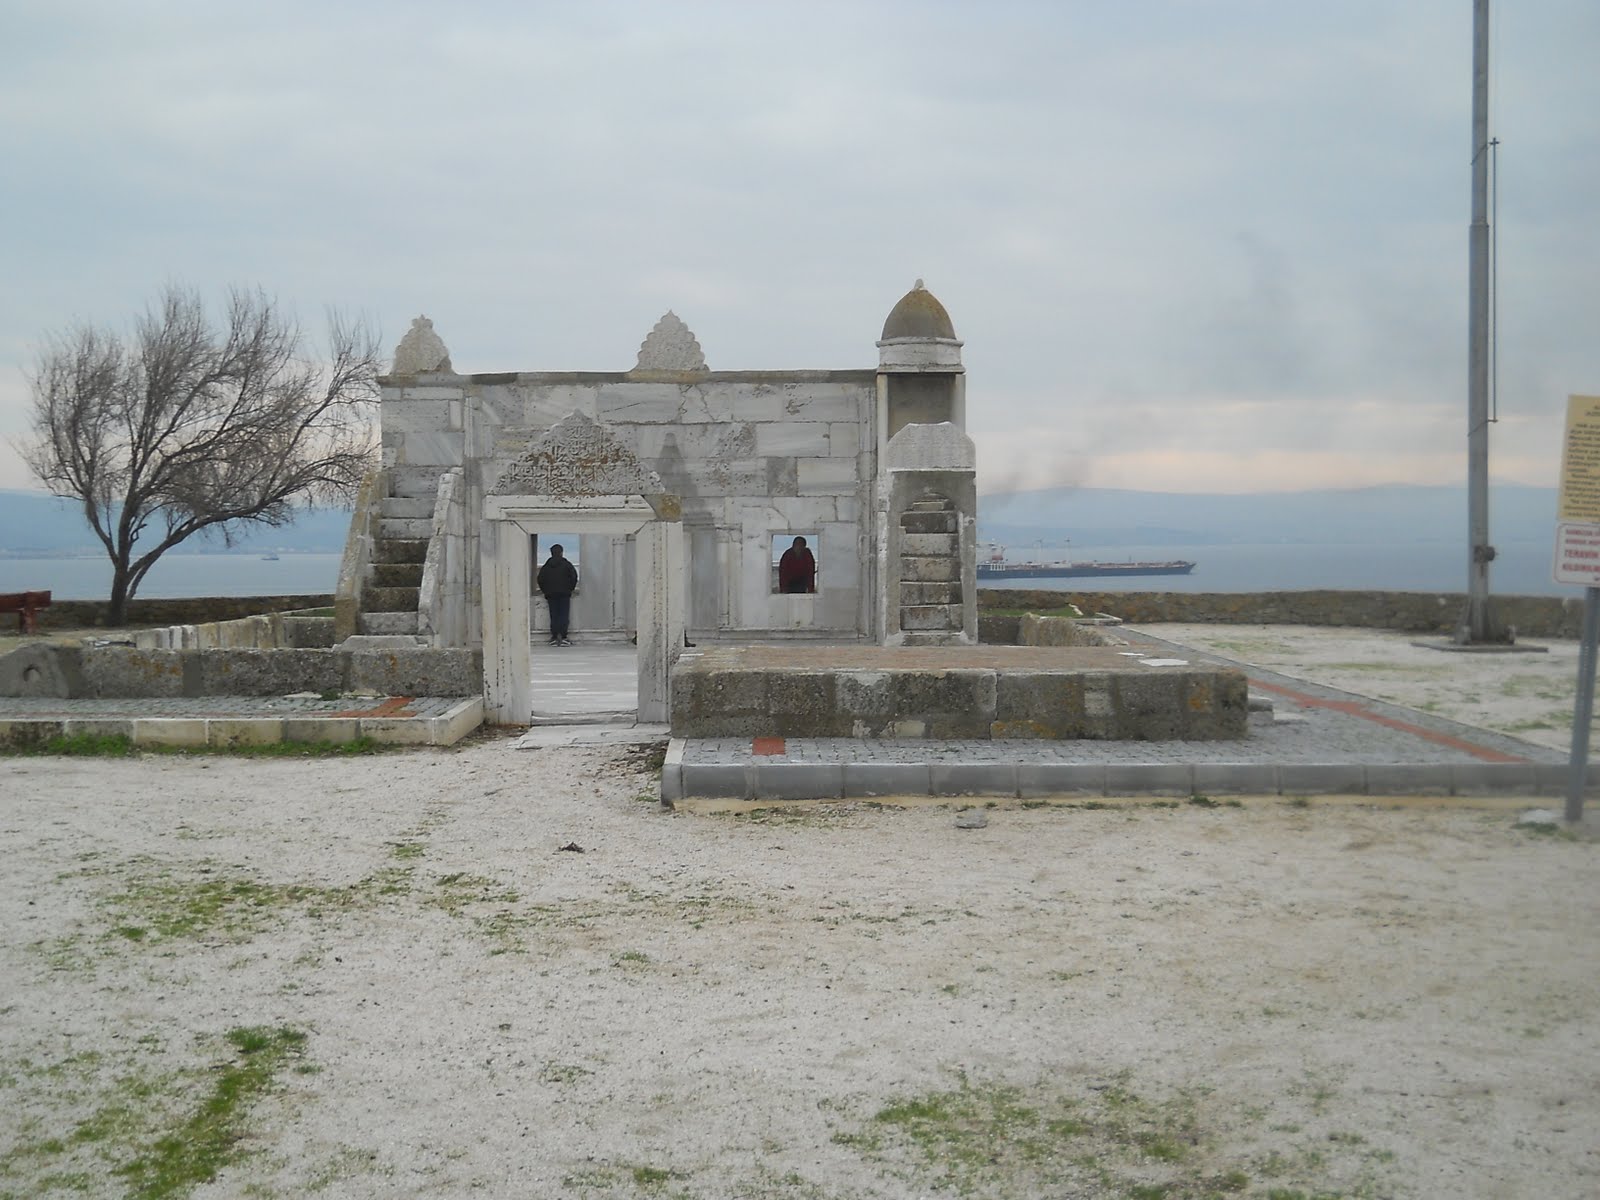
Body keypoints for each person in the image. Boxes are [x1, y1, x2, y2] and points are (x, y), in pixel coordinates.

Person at [537, 543, 579, 646]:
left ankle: (554, 637)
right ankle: (563, 637)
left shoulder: (546, 567)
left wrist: (545, 591)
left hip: (551, 594)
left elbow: (540, 579)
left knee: (554, 616)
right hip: (564, 594)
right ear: (561, 552)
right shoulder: (567, 564)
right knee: (563, 616)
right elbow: (574, 577)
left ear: (551, 553)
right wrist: (570, 589)